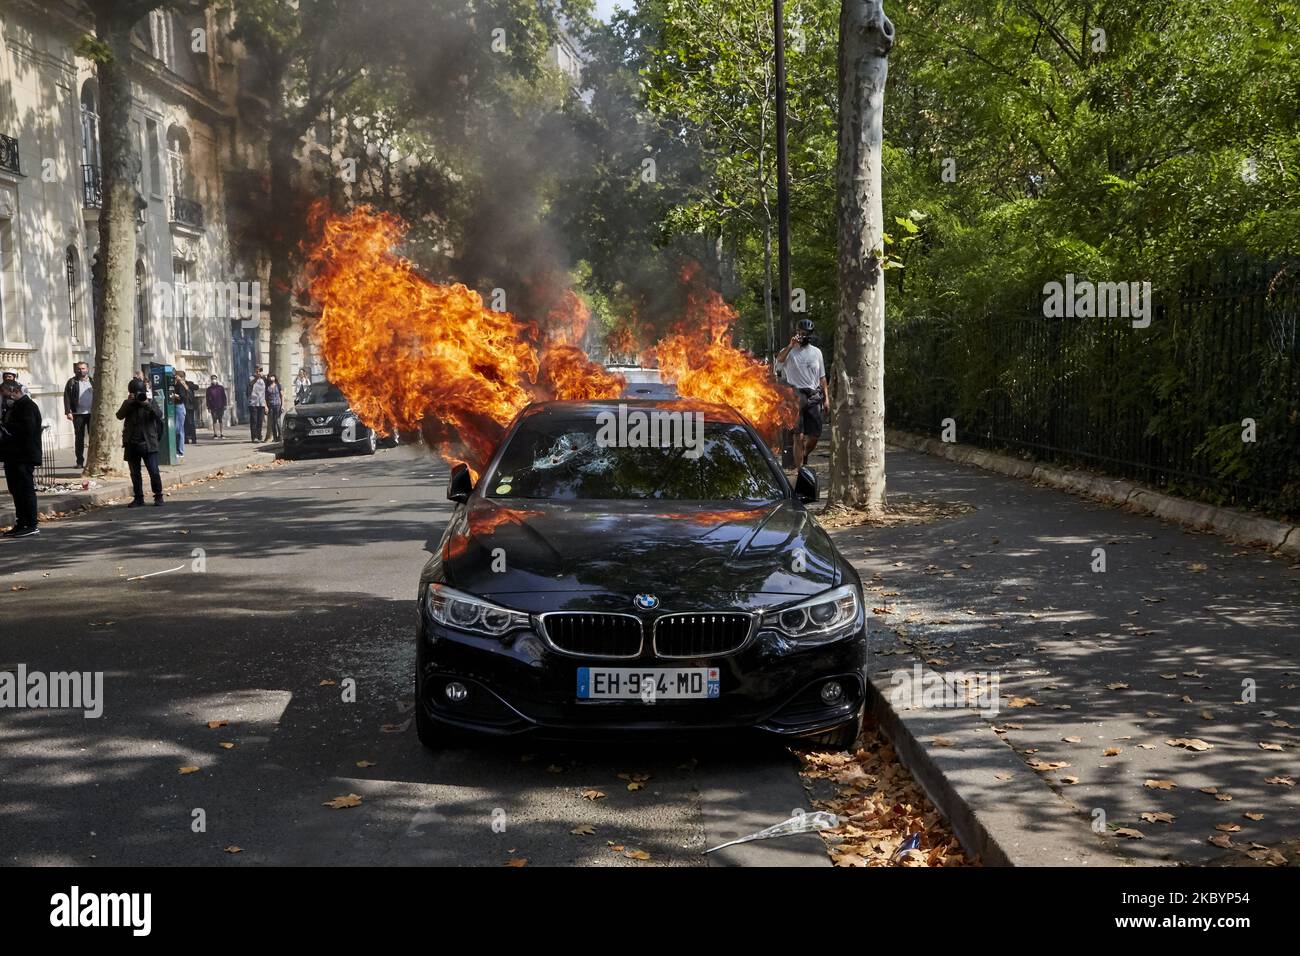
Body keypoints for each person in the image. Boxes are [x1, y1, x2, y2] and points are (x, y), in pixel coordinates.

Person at [775, 318, 830, 471]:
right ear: (796, 333)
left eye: (805, 334)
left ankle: (803, 454)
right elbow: (778, 362)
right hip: (795, 395)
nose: (802, 336)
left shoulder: (816, 352)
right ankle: (800, 470)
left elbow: (822, 377)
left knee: (814, 436)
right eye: (800, 333)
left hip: (813, 395)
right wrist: (790, 346)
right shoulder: (788, 351)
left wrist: (827, 398)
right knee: (797, 435)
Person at [0, 377, 42, 537]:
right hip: (13, 456)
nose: (5, 398)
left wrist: (5, 427)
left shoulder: (28, 406)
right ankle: (21, 522)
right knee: (16, 490)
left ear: (14, 391)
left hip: (24, 455)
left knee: (25, 490)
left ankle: (31, 524)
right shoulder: (14, 407)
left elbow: (27, 429)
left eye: (6, 394)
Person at [116, 378, 164, 507]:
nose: (138, 396)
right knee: (135, 473)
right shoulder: (128, 403)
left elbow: (159, 414)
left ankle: (158, 496)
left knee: (154, 471)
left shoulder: (150, 402)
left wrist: (146, 404)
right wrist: (128, 403)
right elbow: (119, 415)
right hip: (132, 443)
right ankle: (138, 497)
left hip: (148, 443)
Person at [62, 362, 94, 469]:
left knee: (93, 438)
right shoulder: (72, 382)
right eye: (79, 369)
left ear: (87, 369)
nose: (81, 370)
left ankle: (92, 461)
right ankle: (79, 461)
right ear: (76, 370)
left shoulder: (93, 381)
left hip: (92, 414)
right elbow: (66, 397)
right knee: (79, 438)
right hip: (78, 414)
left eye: (83, 368)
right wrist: (68, 412)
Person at [171, 370, 190, 459]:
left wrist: (174, 395)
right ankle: (178, 450)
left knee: (179, 430)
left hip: (179, 407)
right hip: (178, 407)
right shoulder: (178, 384)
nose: (174, 377)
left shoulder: (180, 385)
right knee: (178, 429)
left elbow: (182, 397)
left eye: (176, 375)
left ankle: (180, 451)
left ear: (179, 376)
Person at [205, 374, 228, 439]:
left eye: (214, 378)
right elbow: (207, 398)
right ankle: (215, 434)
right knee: (214, 420)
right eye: (212, 379)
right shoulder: (209, 389)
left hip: (220, 406)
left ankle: (222, 433)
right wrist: (208, 407)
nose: (213, 380)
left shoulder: (220, 388)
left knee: (220, 420)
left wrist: (225, 405)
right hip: (213, 407)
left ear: (216, 379)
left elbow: (224, 397)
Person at [248, 367, 267, 442]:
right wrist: (256, 378)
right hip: (253, 402)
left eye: (260, 370)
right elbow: (251, 383)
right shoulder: (251, 378)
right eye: (257, 371)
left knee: (260, 421)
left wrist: (266, 405)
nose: (259, 372)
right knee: (254, 421)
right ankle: (254, 437)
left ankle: (259, 436)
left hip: (261, 403)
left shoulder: (263, 380)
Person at [265, 374, 283, 442]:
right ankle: (275, 437)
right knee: (273, 422)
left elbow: (282, 395)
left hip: (278, 405)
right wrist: (266, 406)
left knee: (278, 421)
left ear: (275, 377)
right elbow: (265, 397)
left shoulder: (278, 385)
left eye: (272, 376)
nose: (271, 378)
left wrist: (282, 405)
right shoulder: (267, 387)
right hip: (271, 406)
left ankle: (280, 436)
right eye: (270, 377)